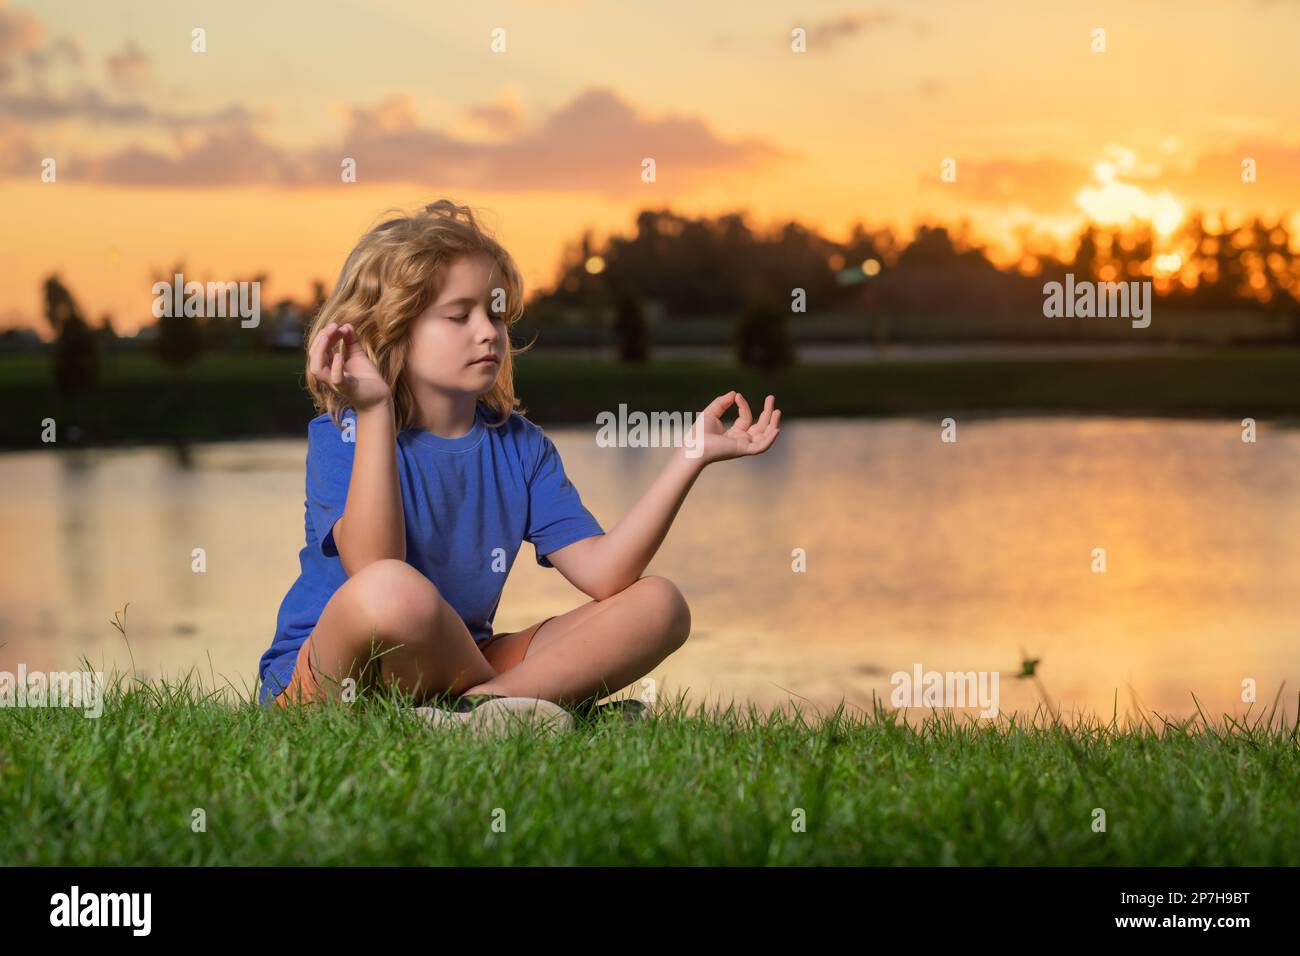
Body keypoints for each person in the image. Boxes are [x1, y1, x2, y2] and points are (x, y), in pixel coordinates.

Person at [256, 199, 781, 730]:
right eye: (460, 315)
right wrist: (373, 411)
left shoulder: (521, 446)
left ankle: (478, 711)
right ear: (394, 329)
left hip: (457, 670)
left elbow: (605, 575)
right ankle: (523, 707)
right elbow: (373, 572)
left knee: (661, 604)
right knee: (392, 588)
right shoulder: (343, 433)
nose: (488, 331)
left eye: (496, 313)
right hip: (330, 676)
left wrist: (691, 457)